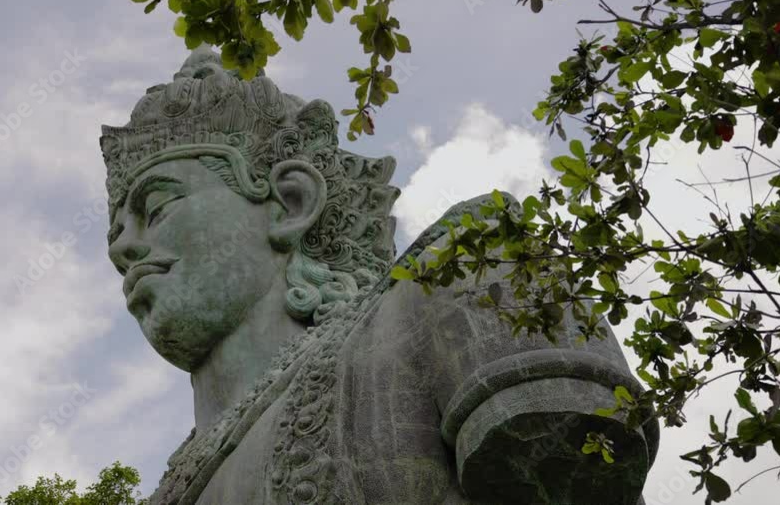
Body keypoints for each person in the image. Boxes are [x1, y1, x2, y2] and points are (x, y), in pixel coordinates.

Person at [100, 47, 657, 504]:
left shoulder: (459, 275)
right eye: (116, 229)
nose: (124, 247)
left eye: (156, 208)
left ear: (290, 203)